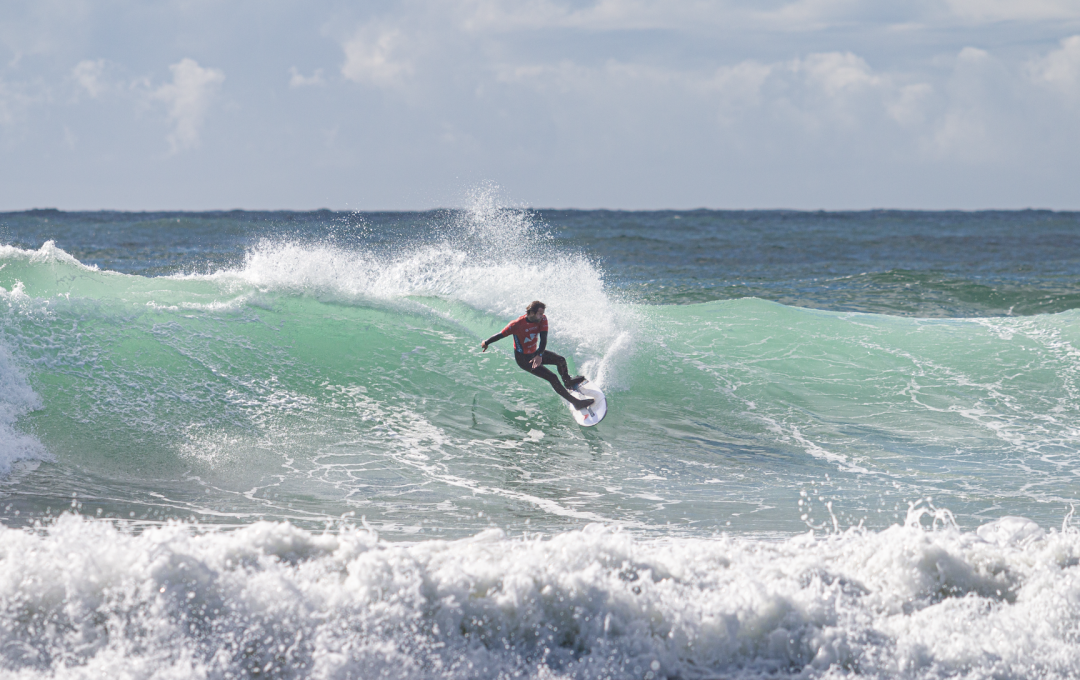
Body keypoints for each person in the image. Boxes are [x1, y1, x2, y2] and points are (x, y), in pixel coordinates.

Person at [481, 301, 594, 410]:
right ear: (531, 313)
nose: (542, 316)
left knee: (560, 360)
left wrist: (539, 355)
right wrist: (486, 343)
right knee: (552, 377)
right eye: (539, 313)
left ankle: (568, 382)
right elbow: (500, 335)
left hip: (536, 352)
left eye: (542, 313)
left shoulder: (542, 319)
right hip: (524, 359)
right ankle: (576, 403)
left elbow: (543, 339)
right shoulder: (516, 325)